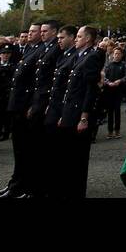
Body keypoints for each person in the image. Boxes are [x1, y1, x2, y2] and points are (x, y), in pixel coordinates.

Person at [0, 20, 43, 198]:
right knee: (19, 150)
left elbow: (36, 82)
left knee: (26, 150)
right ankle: (15, 183)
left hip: (26, 105)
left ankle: (23, 185)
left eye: (33, 31)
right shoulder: (28, 49)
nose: (29, 34)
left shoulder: (40, 51)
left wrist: (32, 104)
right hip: (17, 103)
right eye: (28, 32)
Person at [58, 25, 103, 197]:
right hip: (70, 111)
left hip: (79, 114)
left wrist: (84, 117)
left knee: (78, 159)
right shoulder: (79, 56)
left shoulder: (91, 57)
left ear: (88, 39)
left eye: (78, 36)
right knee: (69, 156)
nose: (76, 39)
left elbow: (90, 89)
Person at [27, 20, 63, 196]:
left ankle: (43, 185)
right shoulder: (44, 48)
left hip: (46, 100)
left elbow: (53, 78)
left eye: (45, 31)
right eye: (40, 31)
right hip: (38, 98)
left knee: (44, 145)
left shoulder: (56, 49)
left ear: (54, 32)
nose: (42, 33)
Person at [43, 24, 78, 197]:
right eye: (58, 38)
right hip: (54, 106)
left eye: (62, 37)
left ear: (71, 37)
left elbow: (69, 88)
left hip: (62, 109)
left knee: (60, 151)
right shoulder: (63, 55)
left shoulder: (74, 57)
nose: (59, 41)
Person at [101, 48, 126, 138]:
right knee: (110, 111)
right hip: (109, 90)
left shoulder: (123, 65)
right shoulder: (108, 65)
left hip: (118, 90)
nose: (117, 55)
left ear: (121, 55)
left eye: (119, 54)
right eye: (115, 53)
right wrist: (108, 82)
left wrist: (119, 81)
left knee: (117, 111)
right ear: (113, 54)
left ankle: (117, 130)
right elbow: (103, 76)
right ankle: (110, 131)